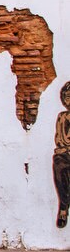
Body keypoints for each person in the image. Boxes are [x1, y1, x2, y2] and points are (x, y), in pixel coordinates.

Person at [52, 81, 70, 228]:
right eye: (66, 96)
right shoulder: (62, 117)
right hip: (66, 153)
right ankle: (63, 206)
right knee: (59, 163)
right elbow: (59, 140)